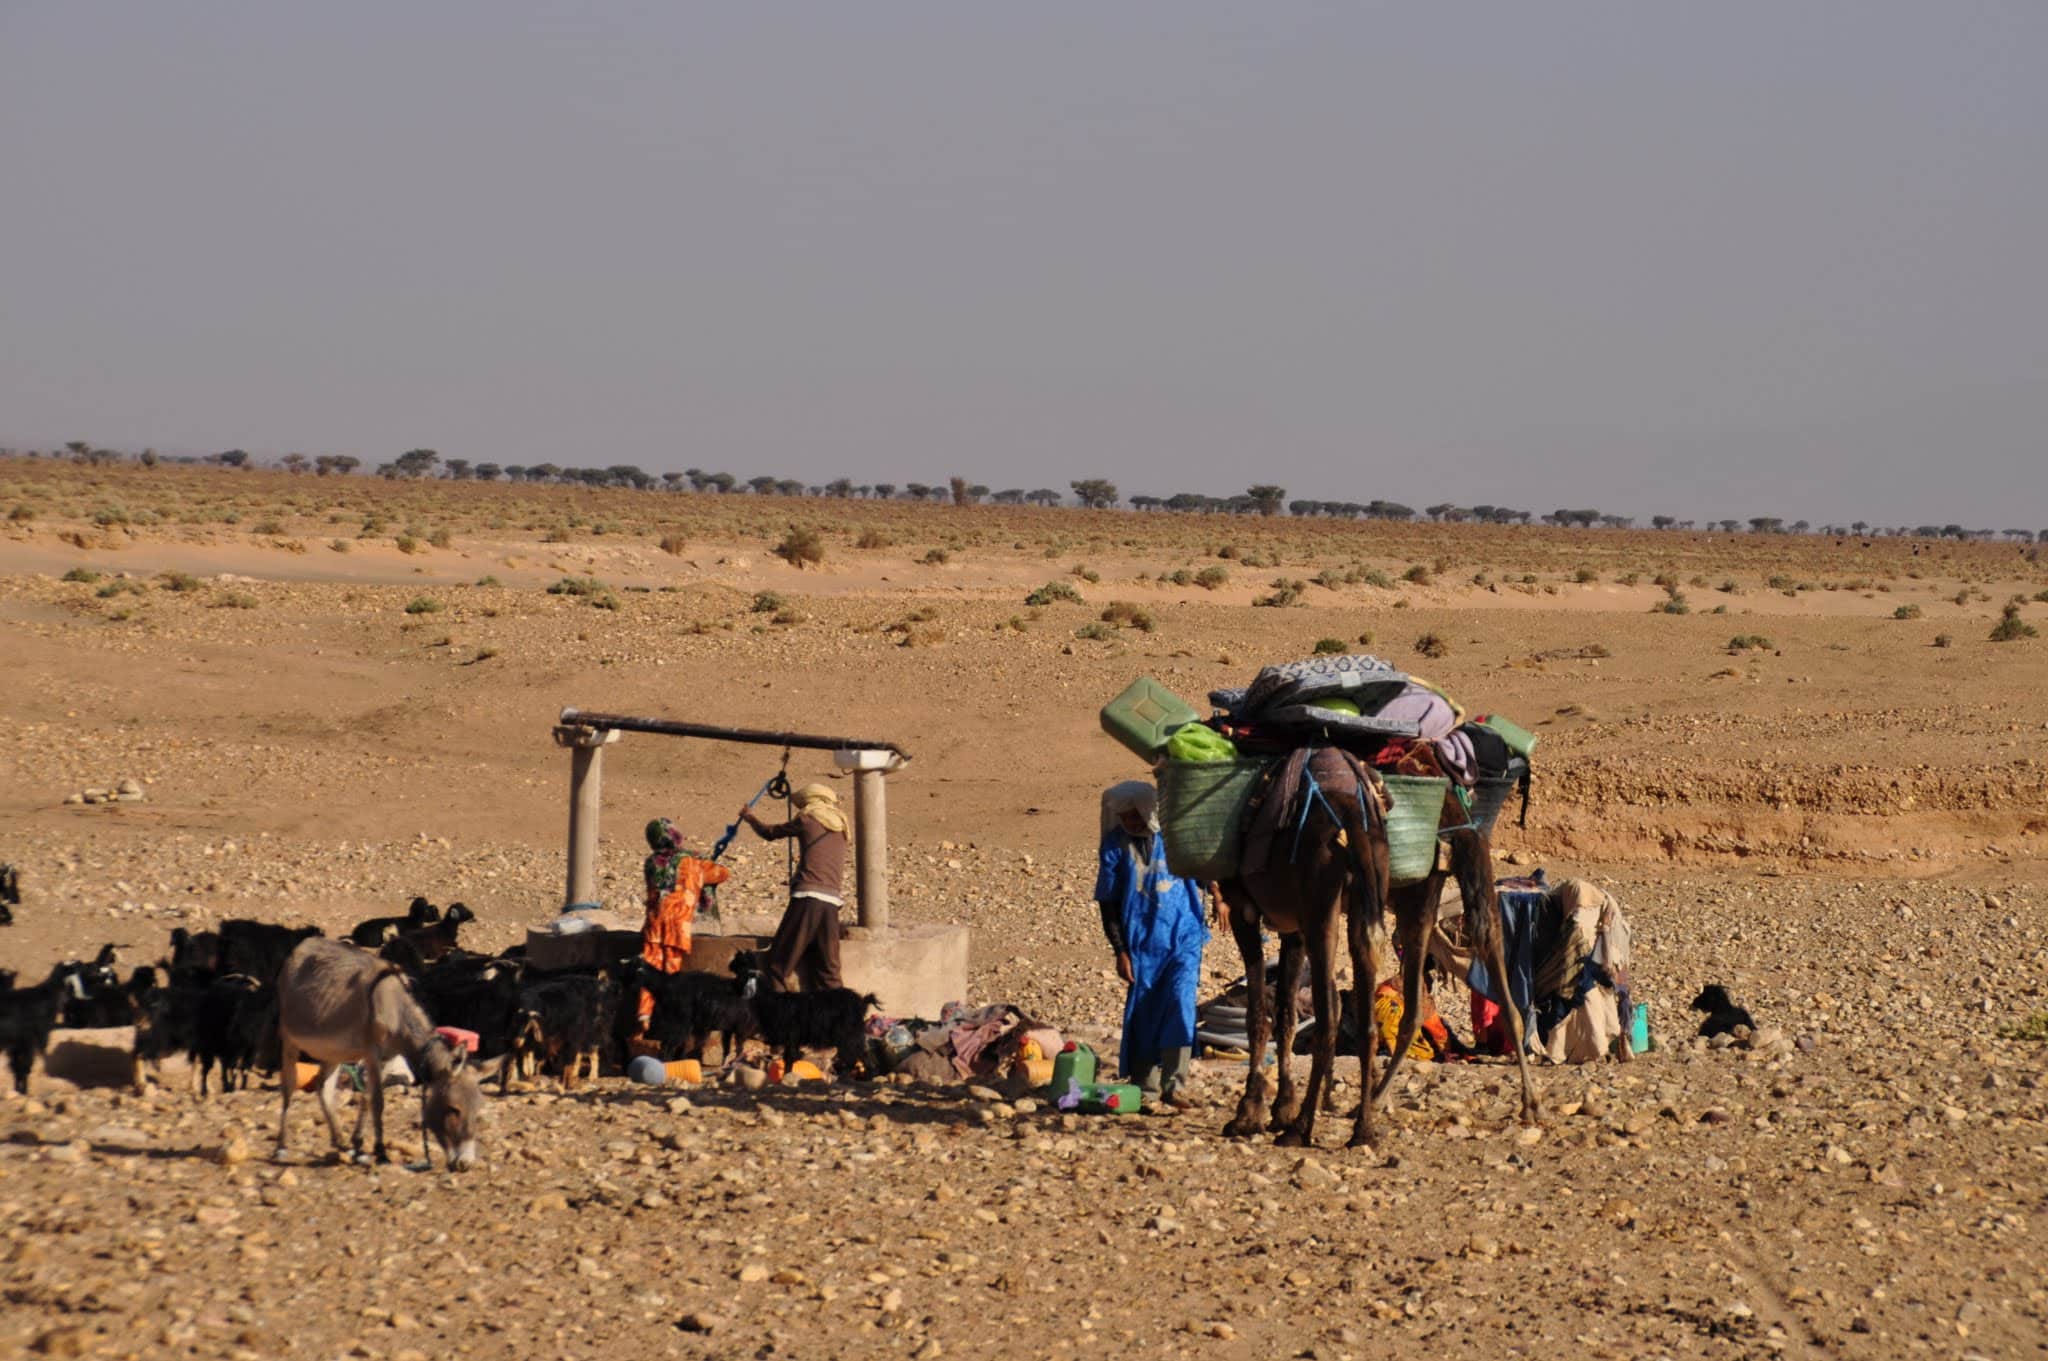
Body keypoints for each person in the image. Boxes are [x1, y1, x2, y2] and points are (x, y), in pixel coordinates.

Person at [1094, 781, 1212, 1113]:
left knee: (1180, 1003)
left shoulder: (1174, 840)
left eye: (1136, 816)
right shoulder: (1114, 847)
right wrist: (1120, 950)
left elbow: (1205, 872)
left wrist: (1219, 895)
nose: (1131, 823)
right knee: (1144, 1011)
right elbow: (1108, 904)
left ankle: (1175, 1086)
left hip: (1183, 939)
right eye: (1125, 817)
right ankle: (1144, 1087)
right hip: (1141, 945)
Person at [738, 783, 849, 992]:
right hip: (832, 902)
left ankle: (778, 1007)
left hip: (808, 898)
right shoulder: (842, 827)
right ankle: (839, 1009)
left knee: (777, 964)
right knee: (828, 969)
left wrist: (749, 817)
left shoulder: (807, 819)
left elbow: (770, 832)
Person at [637, 819, 729, 1032]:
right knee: (671, 975)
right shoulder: (691, 861)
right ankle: (668, 1019)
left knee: (648, 972)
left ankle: (644, 1017)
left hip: (653, 927)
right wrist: (704, 858)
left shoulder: (651, 862)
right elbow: (722, 873)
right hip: (677, 927)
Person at [1371, 955, 1472, 1062]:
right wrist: (1445, 1048)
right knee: (1425, 1051)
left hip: (1376, 1024)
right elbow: (1432, 1022)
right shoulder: (1417, 983)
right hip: (1391, 1020)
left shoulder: (1396, 979)